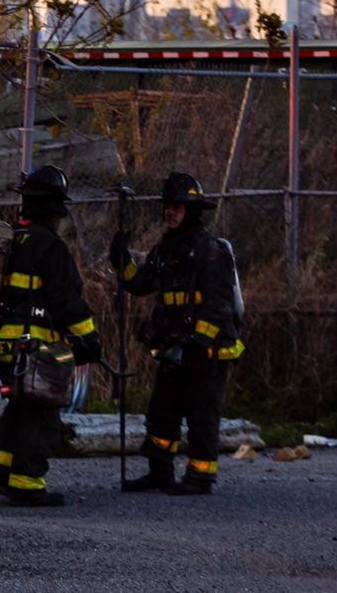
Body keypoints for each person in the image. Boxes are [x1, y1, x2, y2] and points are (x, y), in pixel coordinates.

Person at [111, 171, 244, 496]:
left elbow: (219, 305)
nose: (169, 211)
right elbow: (140, 283)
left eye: (177, 206)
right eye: (167, 206)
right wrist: (122, 260)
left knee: (201, 416)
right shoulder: (166, 250)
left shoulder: (211, 251)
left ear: (193, 210)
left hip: (206, 351)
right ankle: (160, 472)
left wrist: (198, 342)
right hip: (175, 349)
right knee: (162, 412)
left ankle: (200, 477)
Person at [0, 165, 102, 506]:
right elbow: (67, 302)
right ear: (55, 209)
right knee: (42, 414)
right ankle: (27, 483)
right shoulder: (50, 247)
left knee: (19, 407)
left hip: (0, 344)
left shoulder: (11, 241)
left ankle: (1, 470)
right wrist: (88, 339)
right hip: (31, 346)